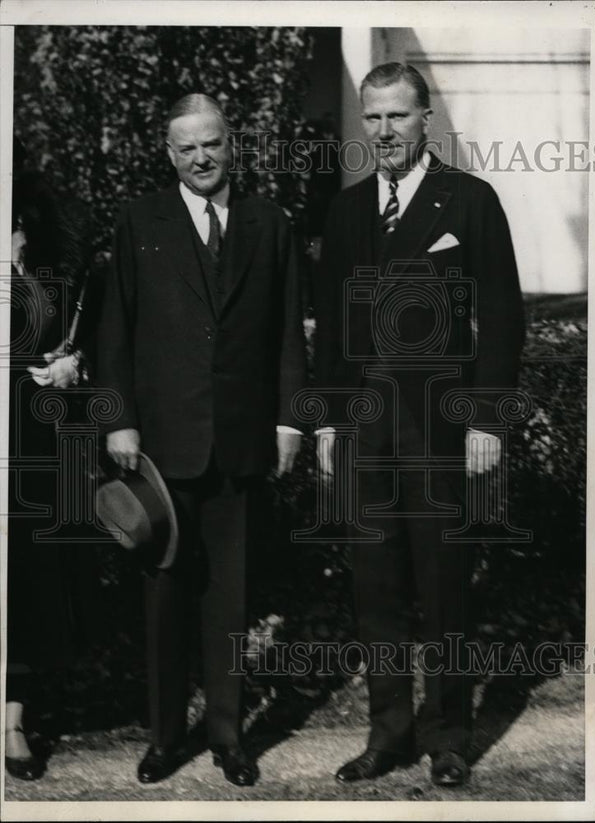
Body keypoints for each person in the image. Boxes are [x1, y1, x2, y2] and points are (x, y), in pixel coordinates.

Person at [314, 62, 525, 786]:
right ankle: (389, 735)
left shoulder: (469, 201)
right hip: (365, 431)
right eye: (372, 118)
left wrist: (488, 424)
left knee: (443, 586)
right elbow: (332, 337)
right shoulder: (345, 212)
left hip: (439, 425)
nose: (384, 132)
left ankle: (448, 736)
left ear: (425, 118)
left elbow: (501, 318)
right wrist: (326, 425)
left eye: (397, 117)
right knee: (374, 586)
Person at [96, 94, 306, 786]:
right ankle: (164, 737)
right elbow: (114, 329)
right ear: (169, 153)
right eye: (186, 148)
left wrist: (287, 422)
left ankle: (227, 736)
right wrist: (118, 418)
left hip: (241, 441)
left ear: (230, 142)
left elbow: (284, 333)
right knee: (164, 593)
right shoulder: (139, 220)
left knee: (230, 596)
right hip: (160, 444)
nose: (201, 157)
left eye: (211, 143)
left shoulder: (269, 222)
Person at [6, 151, 97, 781]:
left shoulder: (48, 242)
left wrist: (73, 366)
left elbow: (66, 333)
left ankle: (12, 718)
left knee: (22, 572)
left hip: (28, 431)